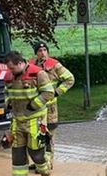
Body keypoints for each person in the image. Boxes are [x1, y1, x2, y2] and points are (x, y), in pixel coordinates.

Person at [2, 51, 55, 176]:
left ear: (20, 63)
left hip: (35, 120)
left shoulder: (38, 74)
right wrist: (8, 103)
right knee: (17, 152)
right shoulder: (9, 76)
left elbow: (48, 93)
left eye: (12, 68)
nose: (10, 71)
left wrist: (33, 105)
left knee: (36, 152)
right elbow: (6, 92)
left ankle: (45, 175)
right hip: (17, 120)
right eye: (9, 68)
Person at [29, 41, 75, 169]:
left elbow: (70, 79)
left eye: (45, 50)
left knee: (48, 136)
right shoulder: (31, 65)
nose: (43, 53)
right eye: (40, 51)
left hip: (50, 108)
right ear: (36, 53)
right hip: (35, 107)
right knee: (35, 136)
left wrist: (57, 92)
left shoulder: (54, 65)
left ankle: (48, 164)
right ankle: (39, 162)